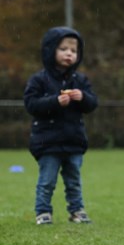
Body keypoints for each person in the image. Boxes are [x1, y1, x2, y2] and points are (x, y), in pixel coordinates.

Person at [24, 26, 99, 225]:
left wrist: (82, 97)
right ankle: (43, 212)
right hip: (47, 142)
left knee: (73, 180)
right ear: (50, 51)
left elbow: (92, 104)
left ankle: (77, 210)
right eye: (63, 49)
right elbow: (31, 104)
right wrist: (55, 101)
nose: (69, 53)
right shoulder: (39, 80)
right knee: (47, 181)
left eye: (73, 51)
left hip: (73, 140)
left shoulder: (79, 80)